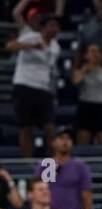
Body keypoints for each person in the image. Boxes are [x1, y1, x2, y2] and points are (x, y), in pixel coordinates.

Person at [8, 12, 61, 158]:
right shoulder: (31, 36)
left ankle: (50, 167)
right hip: (24, 85)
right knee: (26, 128)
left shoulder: (56, 47)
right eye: (52, 25)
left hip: (43, 89)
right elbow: (10, 46)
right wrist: (32, 46)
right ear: (43, 28)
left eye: (57, 26)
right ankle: (27, 165)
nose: (55, 29)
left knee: (50, 127)